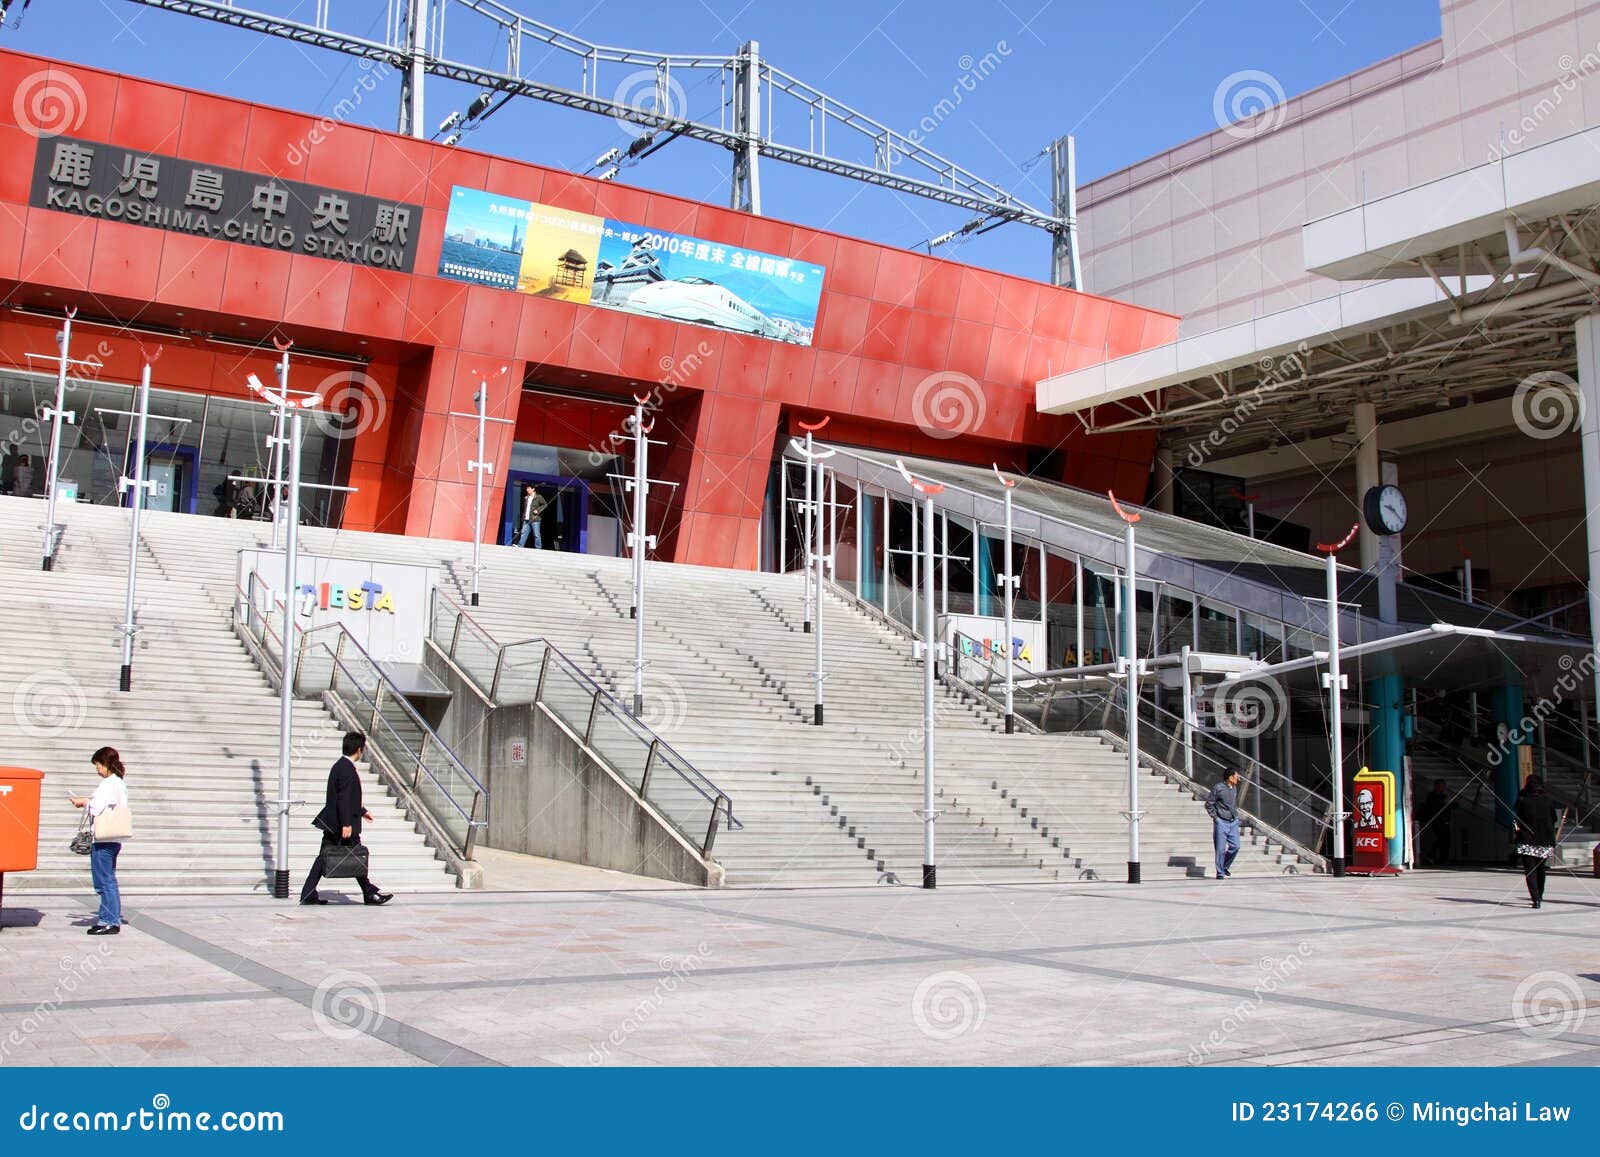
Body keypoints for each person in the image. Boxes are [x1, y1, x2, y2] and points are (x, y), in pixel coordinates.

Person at [300, 731, 392, 906]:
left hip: (333, 822)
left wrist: (362, 811)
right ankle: (369, 894)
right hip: (341, 824)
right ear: (359, 749)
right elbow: (343, 798)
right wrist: (347, 823)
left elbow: (347, 797)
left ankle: (308, 893)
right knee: (355, 856)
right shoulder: (346, 769)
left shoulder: (339, 766)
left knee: (324, 858)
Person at [68, 746, 129, 935]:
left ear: (105, 764)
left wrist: (83, 802)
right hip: (114, 838)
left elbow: (95, 808)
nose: (97, 769)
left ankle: (110, 920)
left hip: (103, 839)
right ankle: (107, 918)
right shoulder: (119, 783)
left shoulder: (108, 784)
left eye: (98, 765)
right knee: (108, 879)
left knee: (104, 881)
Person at [1513, 775, 1562, 909]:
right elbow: (1553, 819)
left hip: (1526, 840)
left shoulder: (1523, 800)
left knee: (1530, 870)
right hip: (1544, 840)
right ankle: (1540, 895)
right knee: (1540, 869)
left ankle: (1535, 898)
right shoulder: (1548, 801)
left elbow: (1516, 817)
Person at [1204, 770, 1242, 880]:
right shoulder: (1218, 788)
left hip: (1233, 821)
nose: (1238, 778)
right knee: (1220, 849)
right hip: (1221, 821)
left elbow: (1240, 780)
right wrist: (1215, 818)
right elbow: (1209, 804)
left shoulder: (1234, 787)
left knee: (1235, 846)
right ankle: (1220, 872)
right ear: (1230, 778)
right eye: (1236, 776)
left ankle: (1224, 866)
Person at [1417, 779, 1454, 865]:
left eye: (1444, 786)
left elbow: (1453, 806)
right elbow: (1434, 807)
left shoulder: (1444, 795)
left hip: (1445, 820)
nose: (1443, 788)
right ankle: (1433, 856)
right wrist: (1444, 803)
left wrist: (1451, 803)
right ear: (1436, 786)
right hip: (1436, 820)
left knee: (1445, 840)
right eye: (1441, 786)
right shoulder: (1432, 796)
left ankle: (1442, 858)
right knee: (1441, 839)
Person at [515, 482, 547, 549]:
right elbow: (525, 509)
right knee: (523, 533)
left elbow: (545, 504)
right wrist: (523, 518)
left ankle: (538, 548)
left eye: (529, 488)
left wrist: (538, 510)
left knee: (536, 534)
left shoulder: (538, 497)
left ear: (533, 489)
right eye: (527, 488)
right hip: (526, 519)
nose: (527, 489)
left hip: (535, 519)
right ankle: (520, 546)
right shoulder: (526, 498)